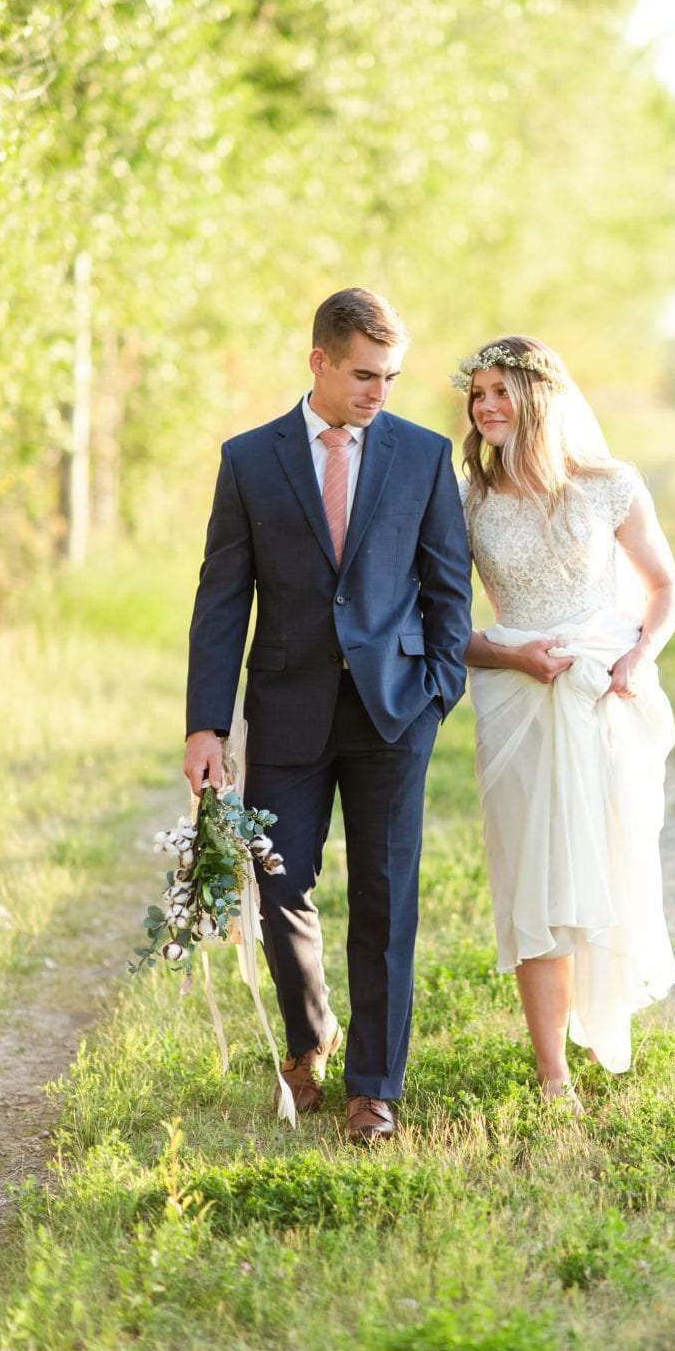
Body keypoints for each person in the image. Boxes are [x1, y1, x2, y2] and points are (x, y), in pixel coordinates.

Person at [184, 287, 472, 1140]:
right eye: (363, 373)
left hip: (395, 712)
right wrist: (207, 723)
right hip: (286, 709)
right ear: (319, 361)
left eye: (391, 375)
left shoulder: (423, 456)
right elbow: (222, 598)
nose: (379, 391)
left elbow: (449, 585)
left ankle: (372, 1087)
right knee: (282, 887)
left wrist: (437, 692)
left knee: (386, 900)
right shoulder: (250, 459)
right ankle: (311, 1041)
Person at [454, 335, 675, 1113]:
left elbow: (663, 588)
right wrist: (510, 658)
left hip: (598, 690)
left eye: (500, 391)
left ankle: (598, 1021)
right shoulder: (467, 499)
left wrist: (639, 658)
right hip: (513, 690)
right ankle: (553, 1073)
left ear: (540, 398)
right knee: (532, 876)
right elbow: (440, 617)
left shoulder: (611, 486)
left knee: (602, 861)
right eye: (477, 394)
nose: (486, 406)